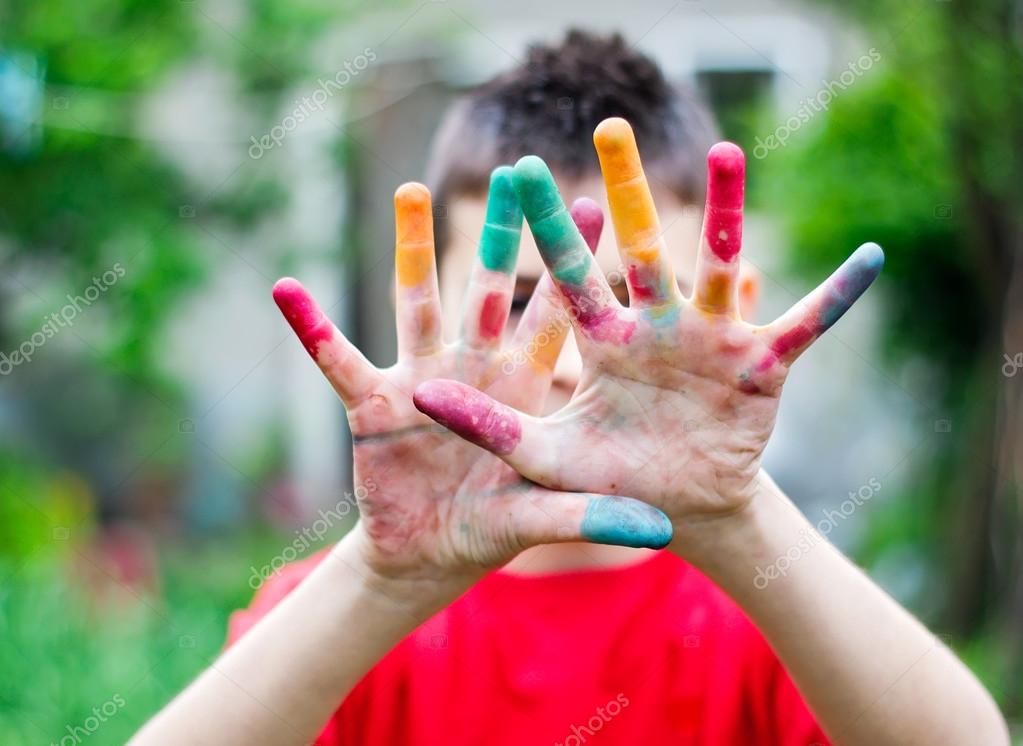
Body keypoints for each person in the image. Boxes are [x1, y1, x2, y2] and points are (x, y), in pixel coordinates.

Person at [131, 32, 1008, 745]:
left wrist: (736, 516)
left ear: (734, 315)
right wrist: (384, 582)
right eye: (520, 303)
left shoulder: (776, 612)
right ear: (424, 306)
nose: (565, 361)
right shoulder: (346, 612)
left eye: (628, 305)